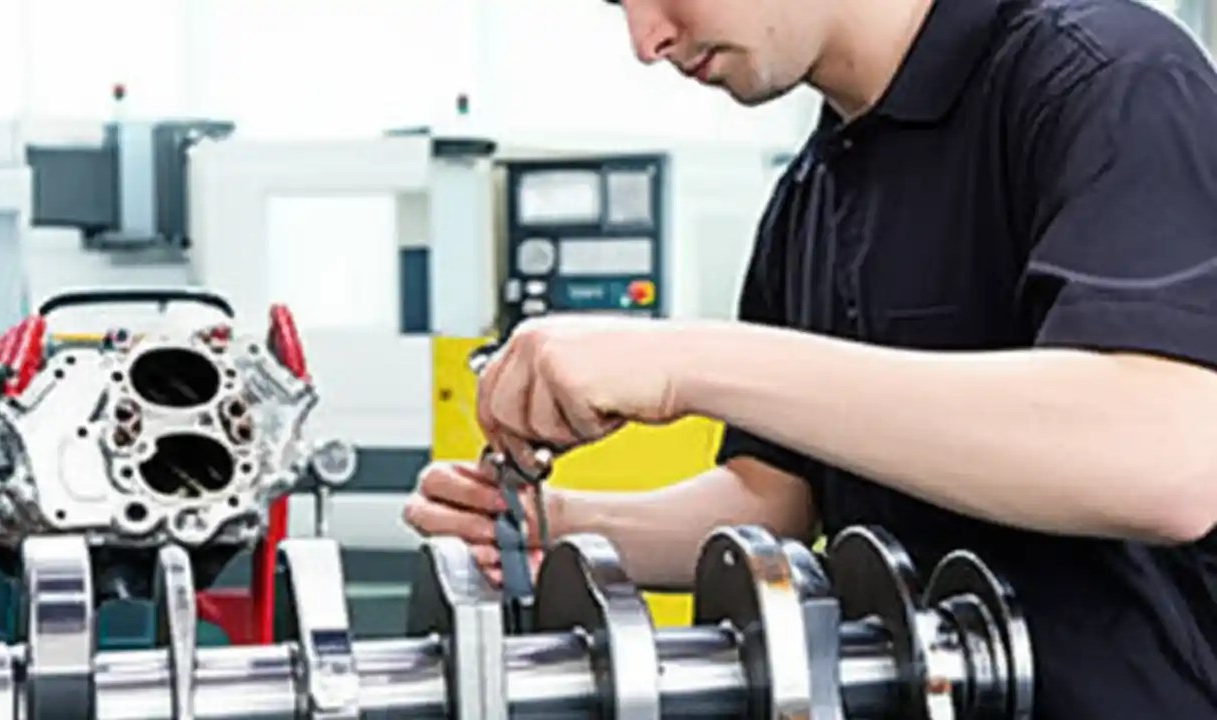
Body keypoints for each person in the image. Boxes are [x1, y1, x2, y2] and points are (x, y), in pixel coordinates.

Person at [402, 0, 1217, 716]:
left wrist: (685, 359)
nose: (646, 39)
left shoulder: (1102, 77)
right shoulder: (813, 195)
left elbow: (1167, 457)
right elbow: (780, 500)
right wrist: (560, 529)